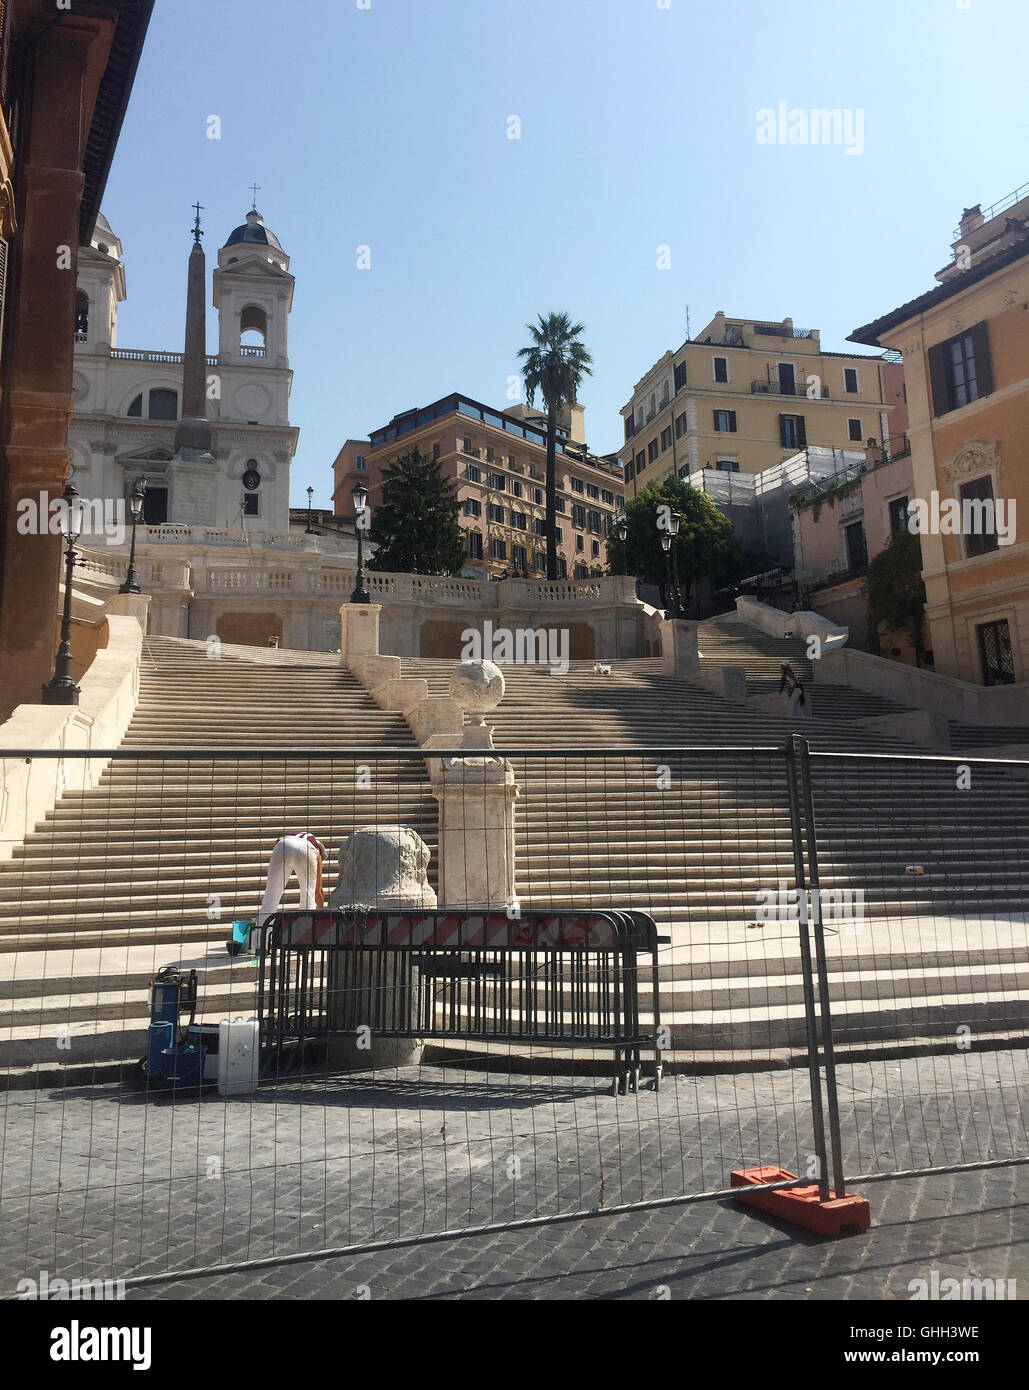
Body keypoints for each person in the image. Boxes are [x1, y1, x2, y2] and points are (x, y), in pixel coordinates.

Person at [257, 831, 328, 937]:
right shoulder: (316, 850)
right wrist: (321, 916)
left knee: (271, 896)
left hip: (283, 845)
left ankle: (260, 943)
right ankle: (305, 941)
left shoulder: (291, 836)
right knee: (308, 897)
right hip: (307, 850)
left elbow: (278, 840)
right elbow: (318, 891)